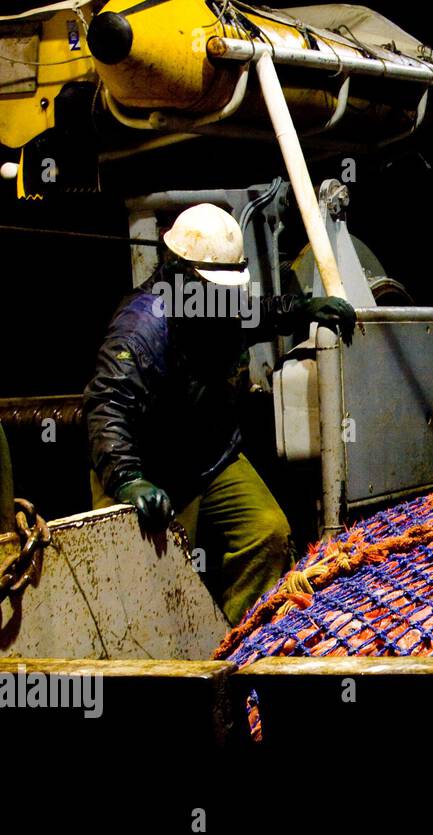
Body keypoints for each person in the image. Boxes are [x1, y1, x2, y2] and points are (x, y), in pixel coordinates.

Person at [83, 202, 354, 626]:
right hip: (149, 469)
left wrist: (299, 310)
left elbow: (254, 315)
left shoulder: (213, 299)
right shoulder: (142, 326)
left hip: (210, 457)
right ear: (179, 272)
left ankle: (237, 644)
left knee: (267, 533)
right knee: (147, 586)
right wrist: (129, 480)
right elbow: (107, 406)